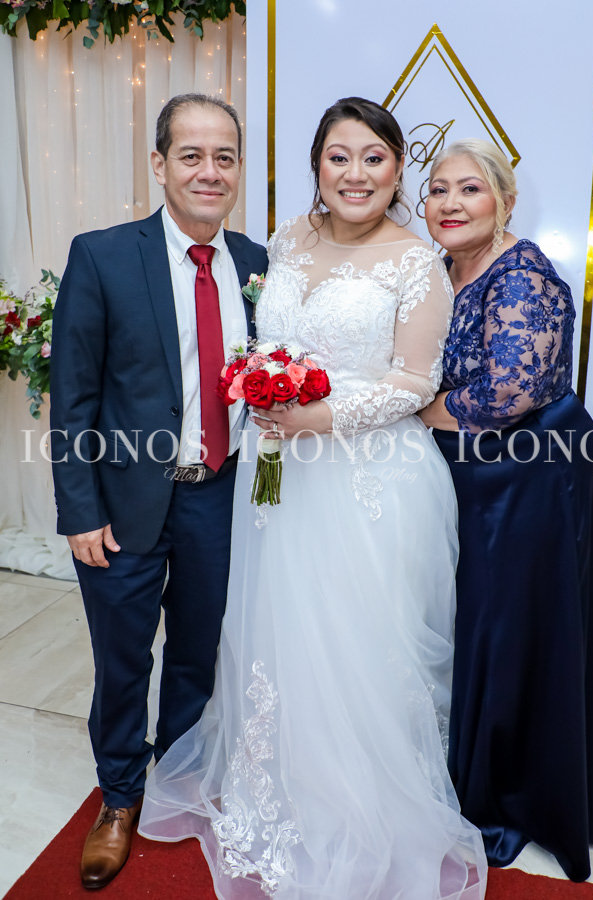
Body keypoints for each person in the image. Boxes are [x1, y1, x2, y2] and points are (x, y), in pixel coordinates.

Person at [139, 97, 487, 899]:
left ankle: (356, 805)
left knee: (357, 643)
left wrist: (317, 417)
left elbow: (415, 381)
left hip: (368, 484)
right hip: (278, 477)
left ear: (396, 170)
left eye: (373, 158)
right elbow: (265, 341)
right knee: (277, 629)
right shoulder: (286, 239)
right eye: (338, 156)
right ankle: (281, 778)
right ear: (316, 166)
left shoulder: (416, 262)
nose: (354, 174)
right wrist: (261, 385)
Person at [50, 93, 268, 890]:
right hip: (122, 501)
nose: (210, 172)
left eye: (224, 157)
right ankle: (119, 795)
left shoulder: (257, 263)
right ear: (159, 164)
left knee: (198, 652)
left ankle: (178, 776)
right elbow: (72, 396)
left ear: (238, 170)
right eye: (191, 155)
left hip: (220, 494)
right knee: (121, 660)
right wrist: (79, 510)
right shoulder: (103, 255)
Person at [420, 138, 593, 882]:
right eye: (438, 189)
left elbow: (506, 392)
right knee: (488, 624)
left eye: (470, 189)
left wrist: (408, 409)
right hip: (483, 472)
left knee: (514, 630)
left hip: (531, 472)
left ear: (504, 200)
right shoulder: (444, 268)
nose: (451, 203)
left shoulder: (522, 275)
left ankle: (511, 796)